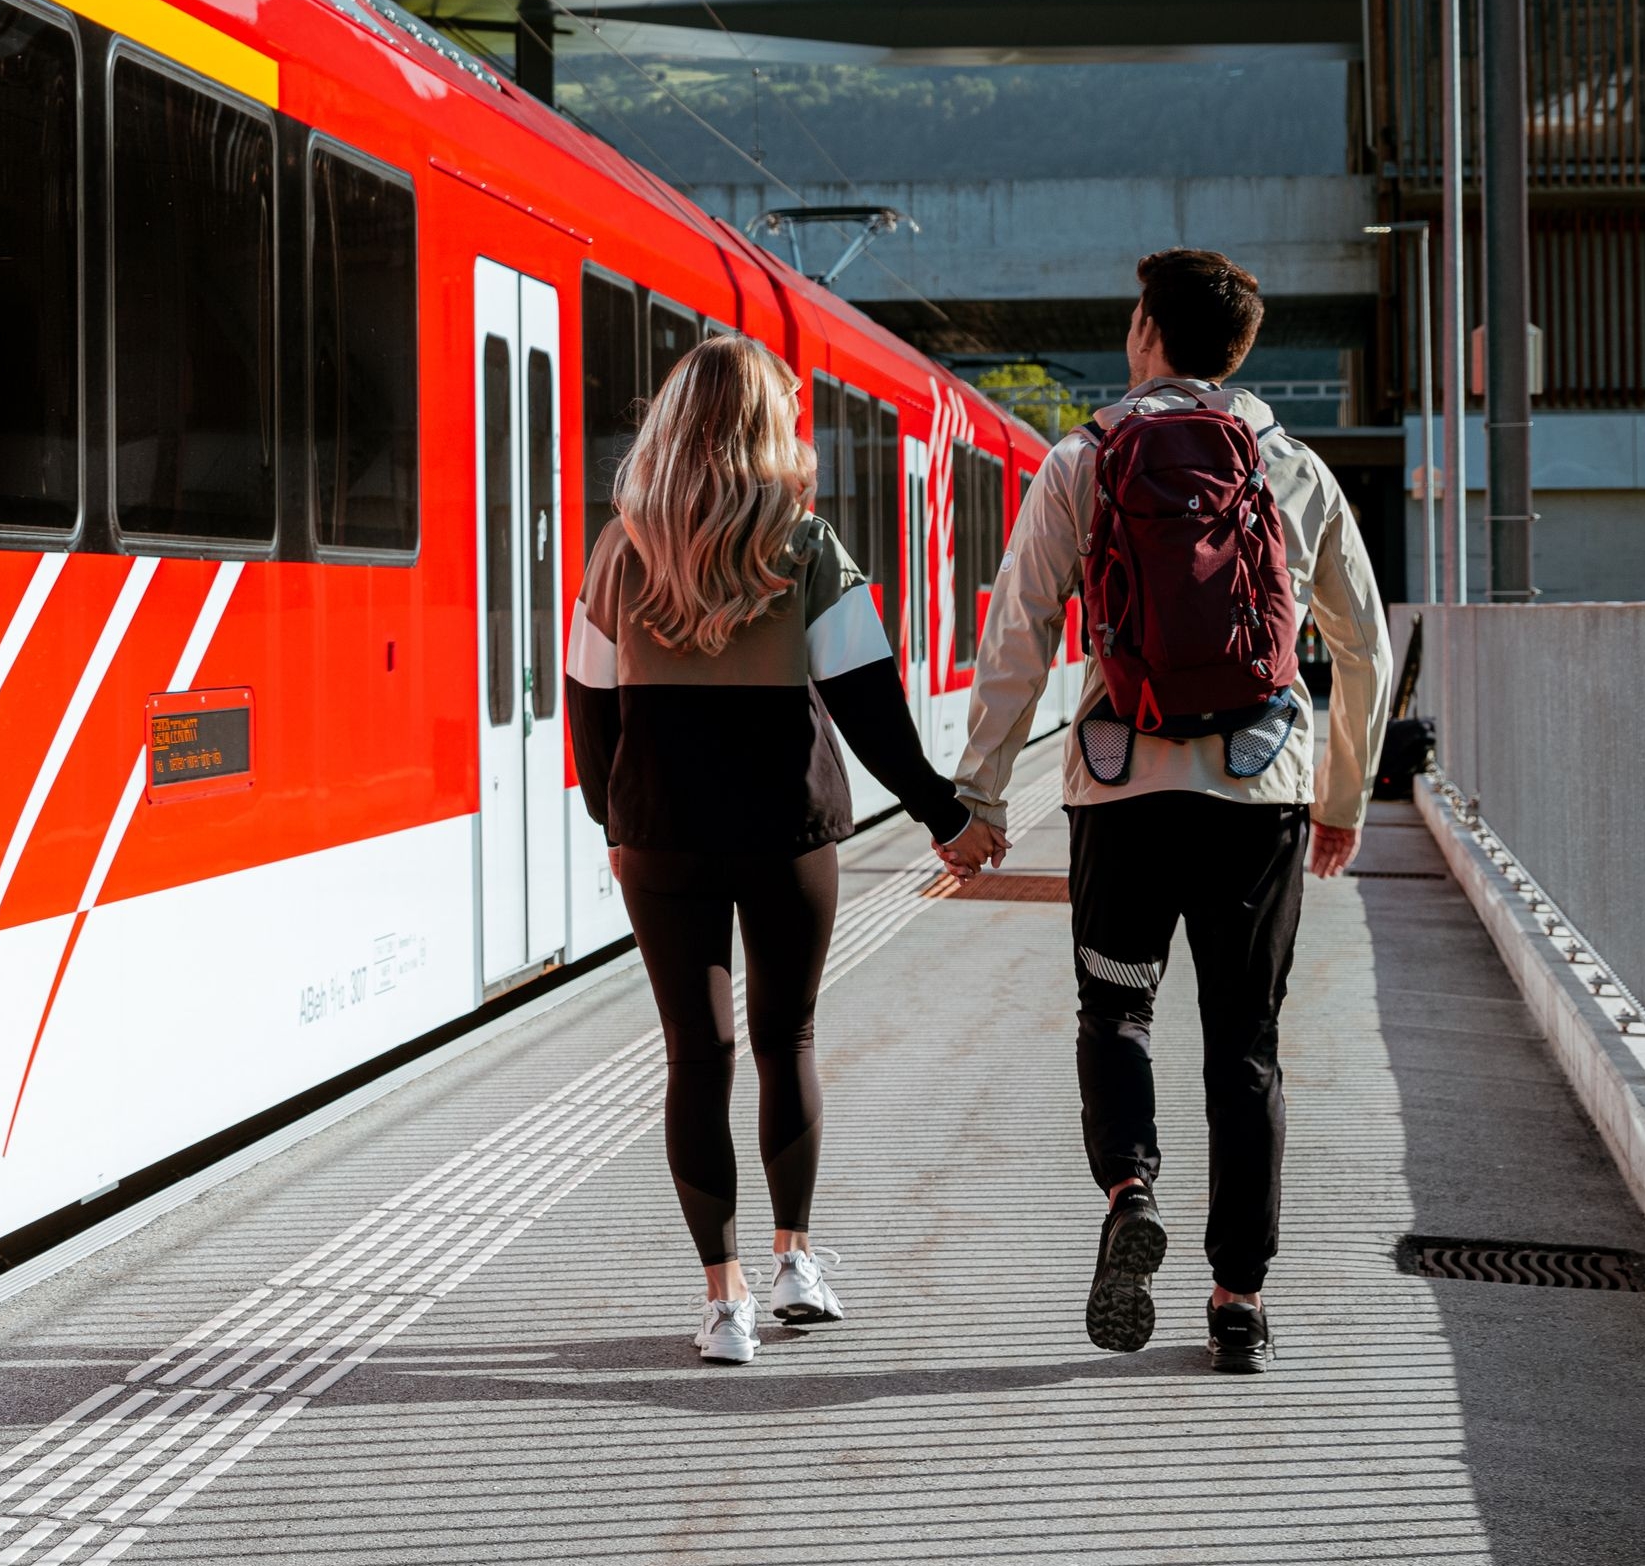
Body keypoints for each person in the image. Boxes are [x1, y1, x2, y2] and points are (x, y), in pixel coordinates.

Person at [942, 248, 1393, 1375]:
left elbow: (1017, 636)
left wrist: (981, 794)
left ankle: (1128, 1184)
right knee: (1244, 1045)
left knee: (1118, 1013)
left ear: (1144, 331)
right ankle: (1235, 1297)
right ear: (1239, 350)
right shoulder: (1292, 470)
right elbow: (1363, 652)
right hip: (1257, 801)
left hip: (1119, 790)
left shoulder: (1082, 458)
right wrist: (1339, 797)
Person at [565, 330, 976, 1364]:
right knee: (782, 1040)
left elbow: (586, 708)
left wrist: (615, 824)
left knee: (692, 1058)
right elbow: (867, 705)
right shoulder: (804, 546)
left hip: (661, 836)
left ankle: (723, 1299)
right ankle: (795, 1258)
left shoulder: (619, 550)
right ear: (768, 426)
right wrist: (943, 815)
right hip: (785, 830)